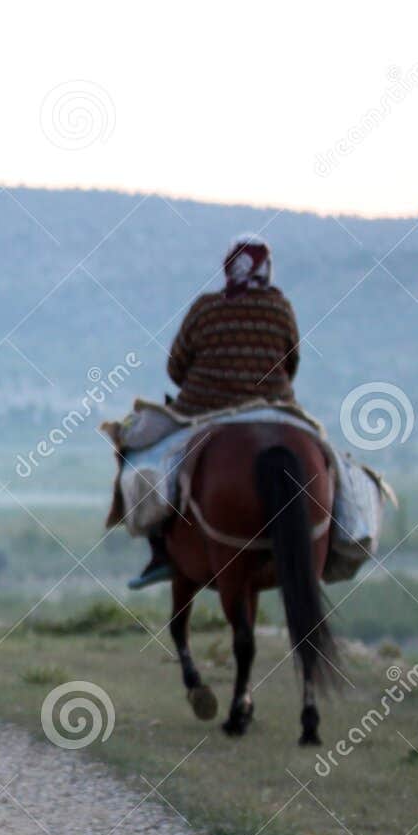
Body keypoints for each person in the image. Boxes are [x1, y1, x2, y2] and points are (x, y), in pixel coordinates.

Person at [128, 235, 301, 588]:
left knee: (139, 453)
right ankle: (331, 542)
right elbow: (291, 362)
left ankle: (160, 549)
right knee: (329, 460)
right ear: (267, 269)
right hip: (274, 407)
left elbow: (175, 367)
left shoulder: (206, 308)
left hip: (202, 409)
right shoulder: (280, 308)